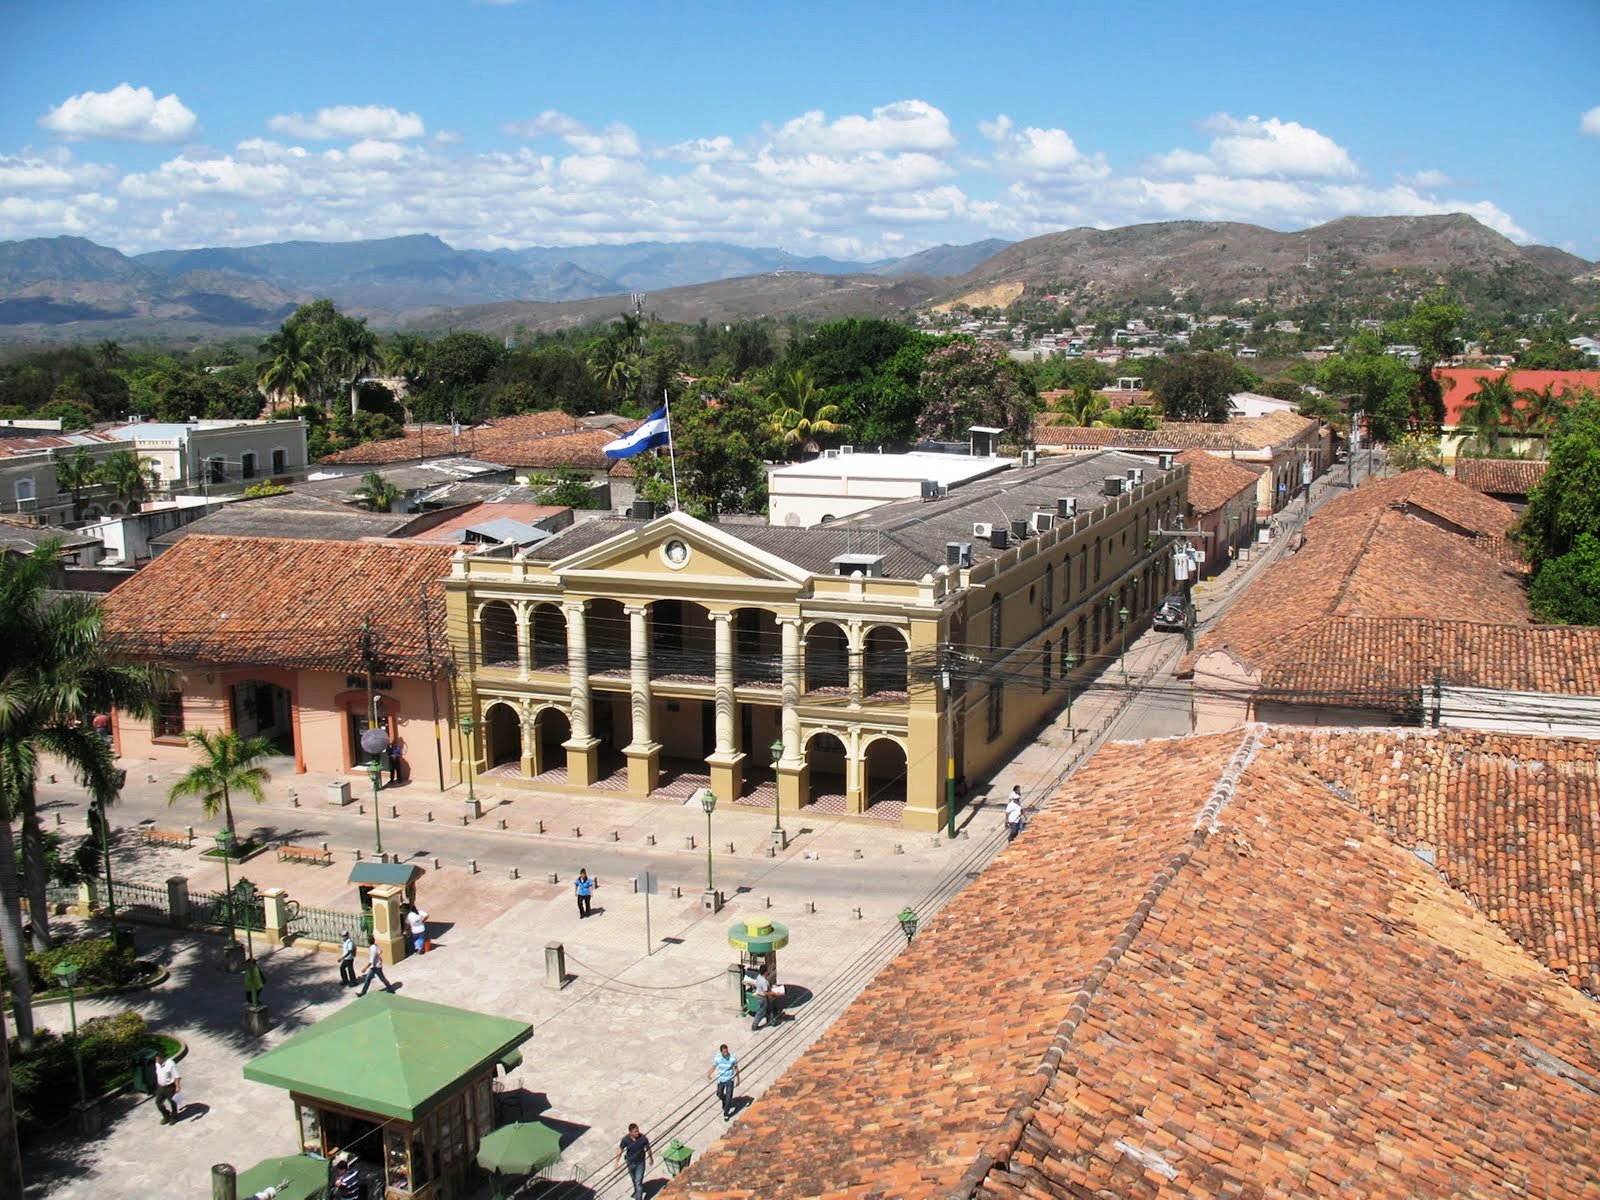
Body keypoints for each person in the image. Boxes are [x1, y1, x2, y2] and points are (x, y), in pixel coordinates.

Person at [615, 1123, 652, 1200]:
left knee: (638, 1183)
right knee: (634, 1180)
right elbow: (620, 1149)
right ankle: (636, 1192)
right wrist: (617, 1161)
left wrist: (651, 1158)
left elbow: (648, 1149)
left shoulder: (643, 1138)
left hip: (640, 1163)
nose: (637, 1133)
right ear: (630, 1133)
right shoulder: (625, 1139)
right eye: (635, 1132)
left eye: (638, 1131)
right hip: (630, 1163)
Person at [708, 1043, 739, 1120]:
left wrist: (738, 1079)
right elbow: (714, 1066)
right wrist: (709, 1073)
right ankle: (725, 1101)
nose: (726, 1053)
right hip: (721, 1079)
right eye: (724, 1052)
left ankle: (726, 1113)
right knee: (719, 1094)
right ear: (721, 1052)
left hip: (730, 1079)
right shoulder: (717, 1058)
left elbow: (736, 1069)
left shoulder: (733, 1057)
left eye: (727, 1051)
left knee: (729, 1096)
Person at [153, 1049, 181, 1124]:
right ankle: (166, 1116)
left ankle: (174, 1117)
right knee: (158, 1102)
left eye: (157, 1058)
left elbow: (177, 1076)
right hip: (160, 1087)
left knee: (172, 1102)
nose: (155, 1059)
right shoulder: (157, 1064)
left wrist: (177, 1086)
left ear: (161, 1058)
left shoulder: (170, 1064)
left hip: (169, 1087)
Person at [749, 965, 776, 1031]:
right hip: (763, 998)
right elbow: (766, 992)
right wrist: (776, 993)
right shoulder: (764, 982)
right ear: (765, 972)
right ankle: (754, 1025)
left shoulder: (759, 977)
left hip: (761, 997)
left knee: (768, 1009)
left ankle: (772, 1021)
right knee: (761, 1012)